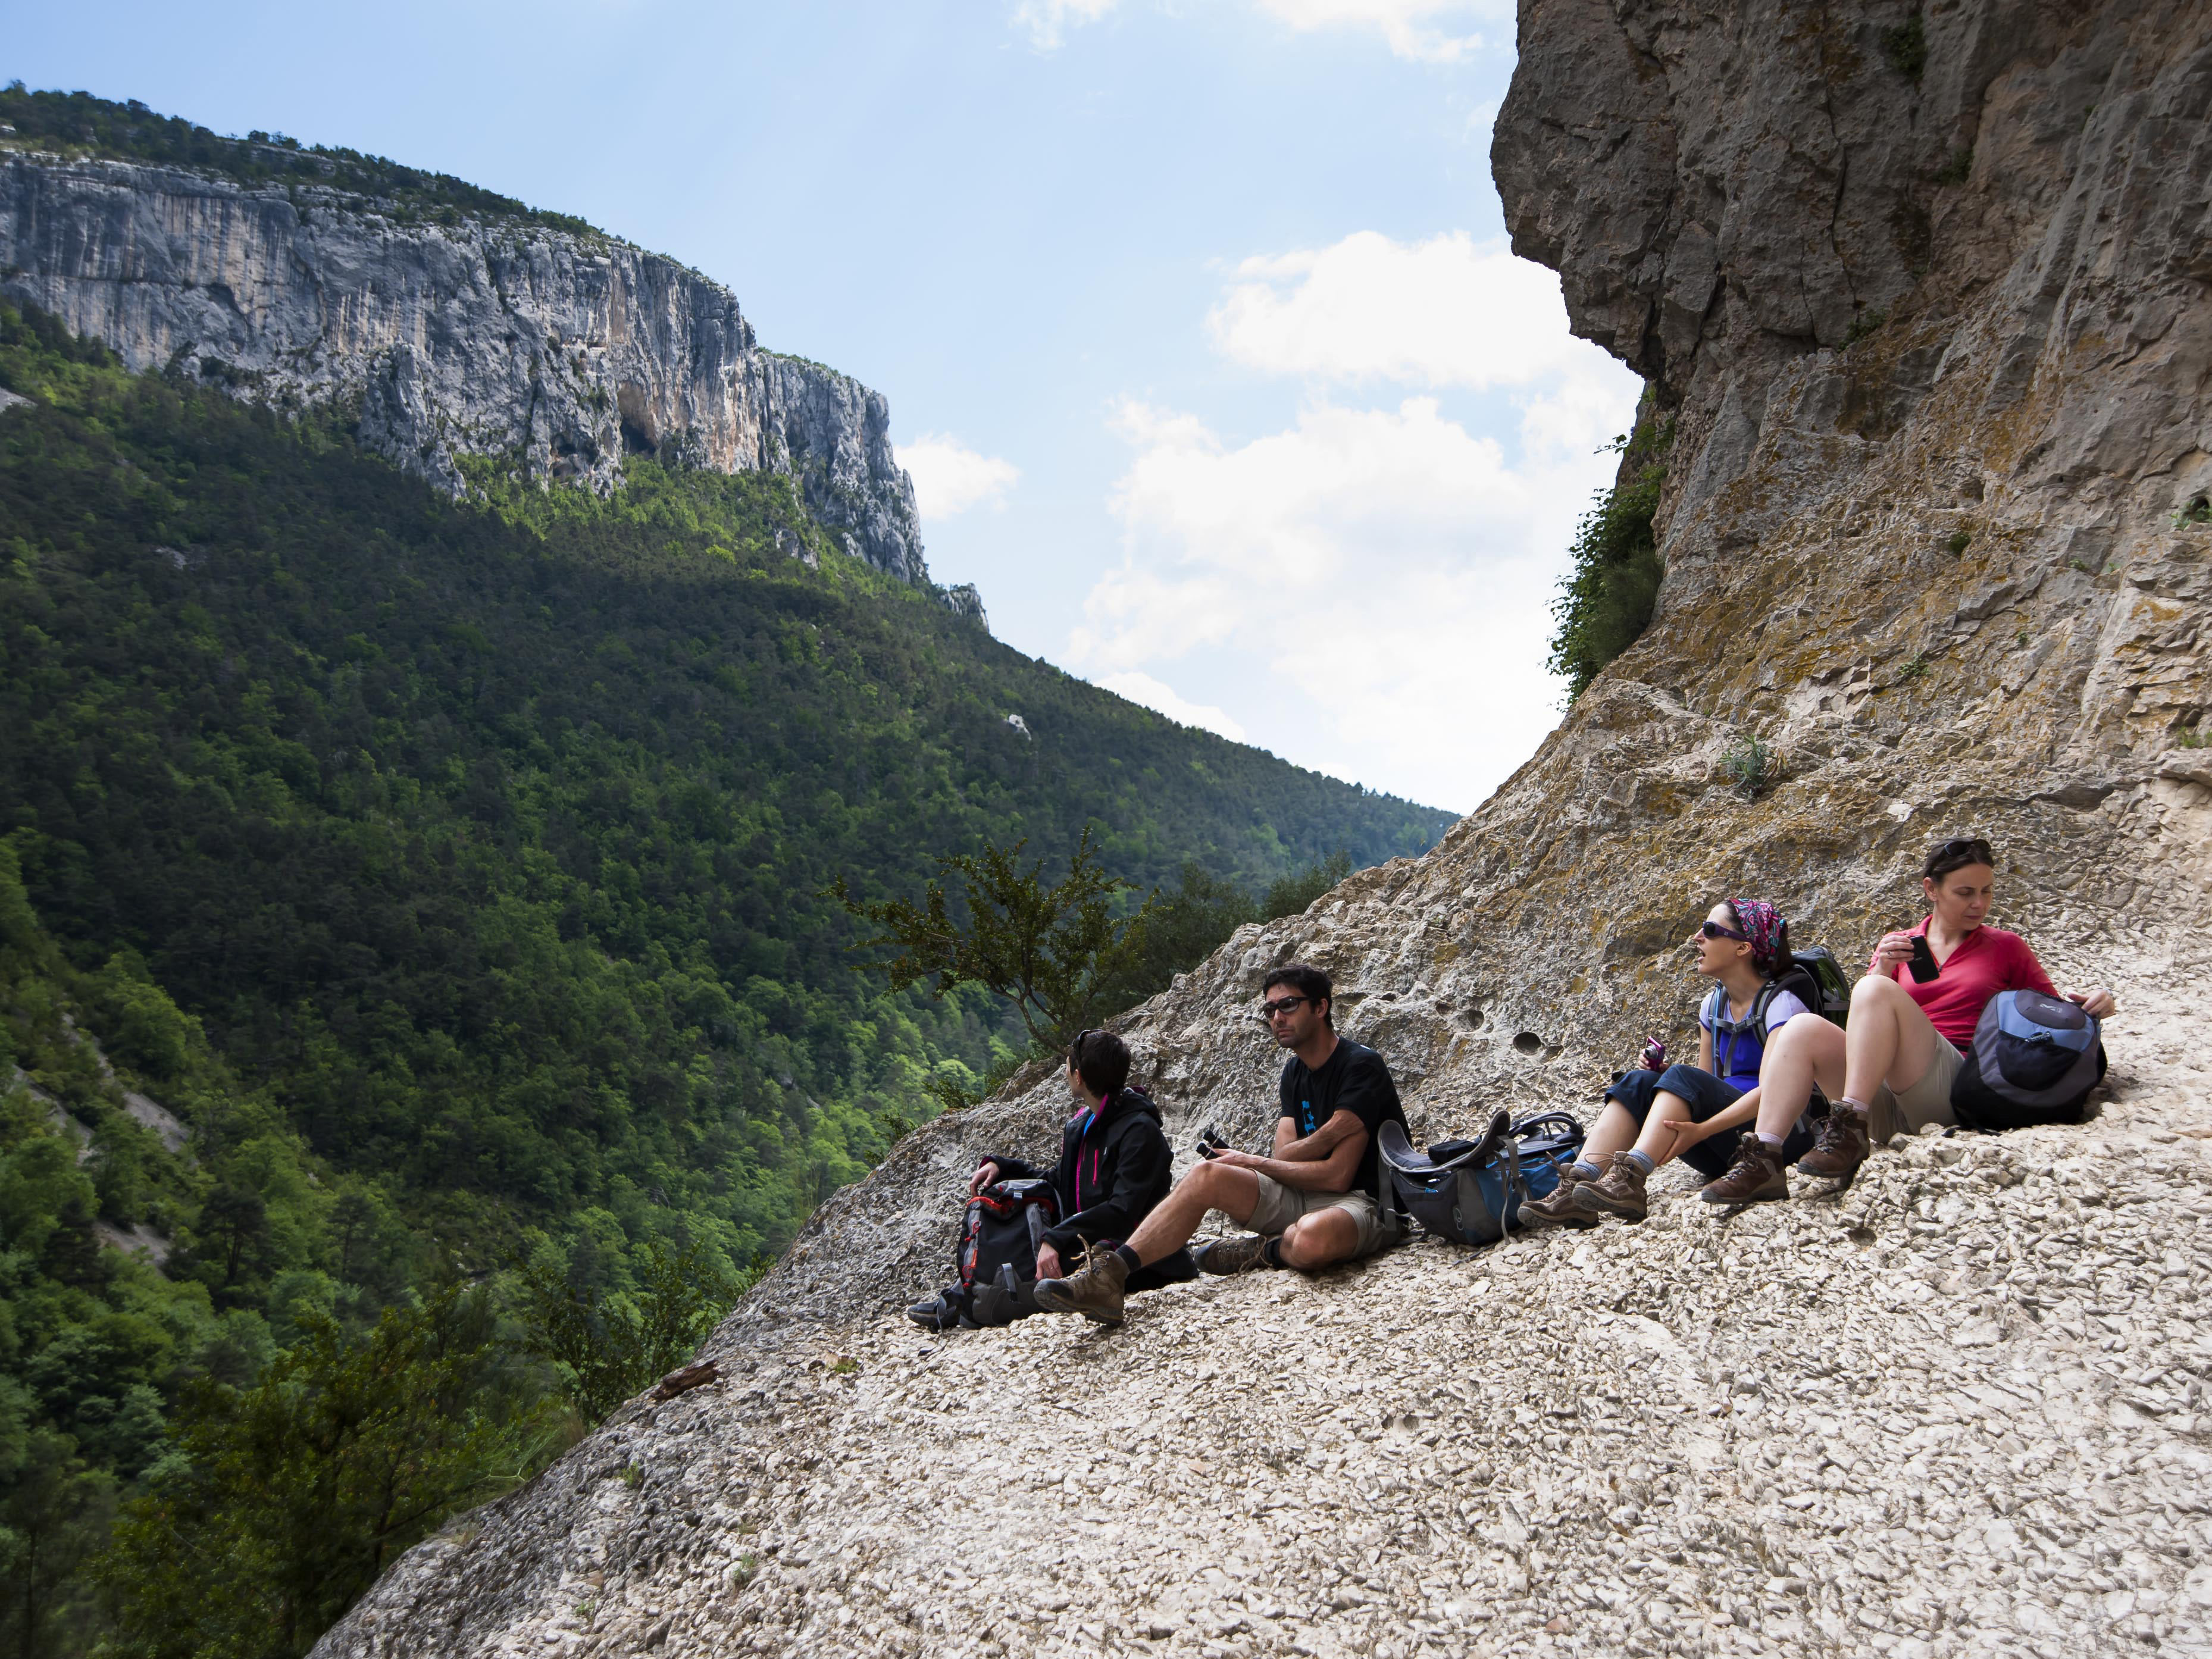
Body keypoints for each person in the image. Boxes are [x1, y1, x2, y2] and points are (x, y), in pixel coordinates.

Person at [1698, 835, 2118, 1202]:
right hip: (1883, 1101)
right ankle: (1765, 1157)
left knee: (1873, 990)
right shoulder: (1900, 947)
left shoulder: (2005, 947)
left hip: (1954, 1085)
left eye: (1987, 892)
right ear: (1930, 890)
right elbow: (1864, 1020)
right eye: (1965, 892)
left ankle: (1848, 1126)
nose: (1978, 904)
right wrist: (1881, 968)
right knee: (1802, 1027)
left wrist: (2094, 1006)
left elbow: (2046, 1015)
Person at [1033, 962, 1408, 1326]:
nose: (1277, 1016)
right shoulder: (1295, 1071)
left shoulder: (1360, 1068)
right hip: (1300, 1192)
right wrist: (1331, 1131)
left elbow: (1337, 1176)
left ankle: (1263, 1250)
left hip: (1364, 1202)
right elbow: (1284, 1153)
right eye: (1271, 1008)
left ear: (1321, 1007)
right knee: (1206, 1173)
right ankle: (1111, 1276)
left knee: (1309, 1239)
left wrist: (1253, 1161)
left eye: (1289, 1005)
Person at [1519, 899, 1818, 1226]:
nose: (1696, 938)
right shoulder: (1713, 1006)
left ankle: (1631, 1177)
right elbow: (1707, 1081)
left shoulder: (1783, 1007)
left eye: (1709, 930)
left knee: (1681, 1078)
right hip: (1725, 1147)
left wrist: (1702, 1128)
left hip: (1775, 1145)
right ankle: (1576, 1187)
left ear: (1743, 948)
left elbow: (1775, 1093)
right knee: (1636, 1082)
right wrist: (1665, 1079)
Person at [906, 1029, 1190, 1329]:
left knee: (1033, 1265)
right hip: (1086, 1242)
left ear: (1078, 1077)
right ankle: (966, 1295)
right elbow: (1056, 1180)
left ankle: (968, 1304)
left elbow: (1124, 1210)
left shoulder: (1139, 1131)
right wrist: (1002, 1167)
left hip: (1135, 1254)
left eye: (1068, 1066)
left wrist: (1056, 1238)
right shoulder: (1083, 1126)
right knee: (1018, 1238)